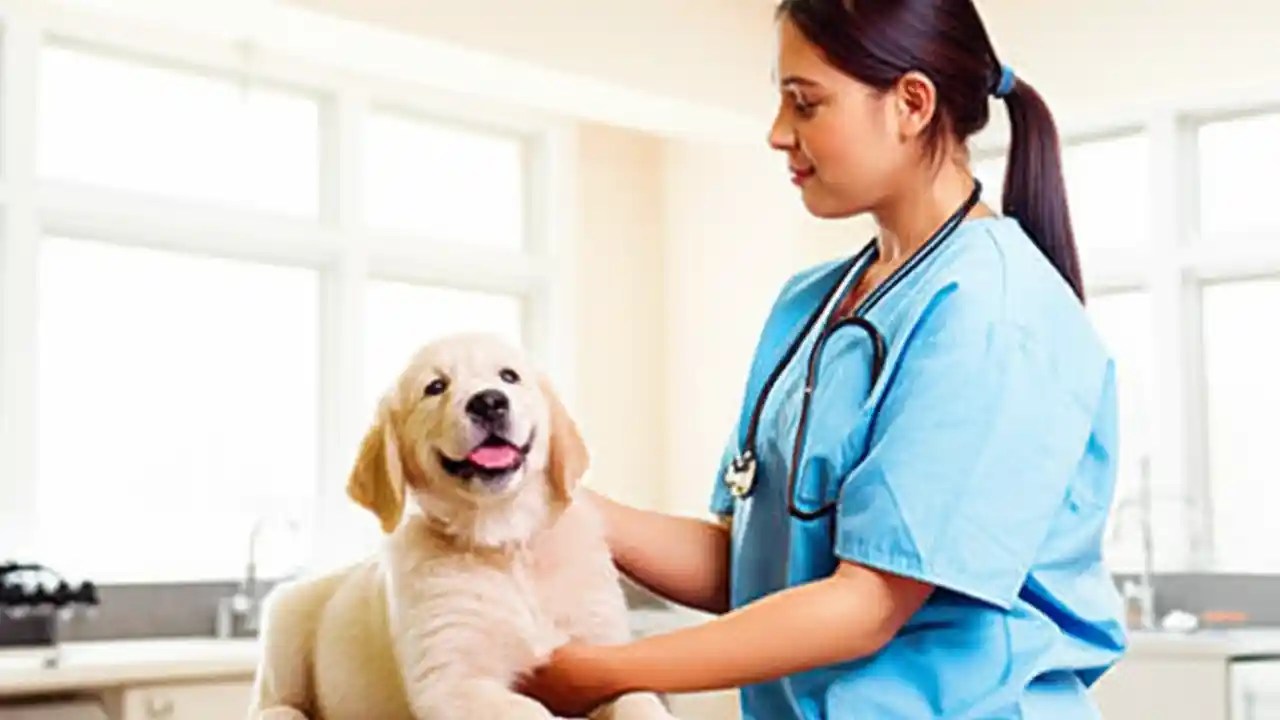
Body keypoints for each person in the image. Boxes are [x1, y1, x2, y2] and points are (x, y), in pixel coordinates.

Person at [518, 0, 1128, 717]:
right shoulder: (810, 304)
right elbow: (748, 565)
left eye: (805, 104)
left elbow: (868, 603)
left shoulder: (996, 312)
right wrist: (556, 502)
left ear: (911, 104)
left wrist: (602, 671)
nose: (779, 134)